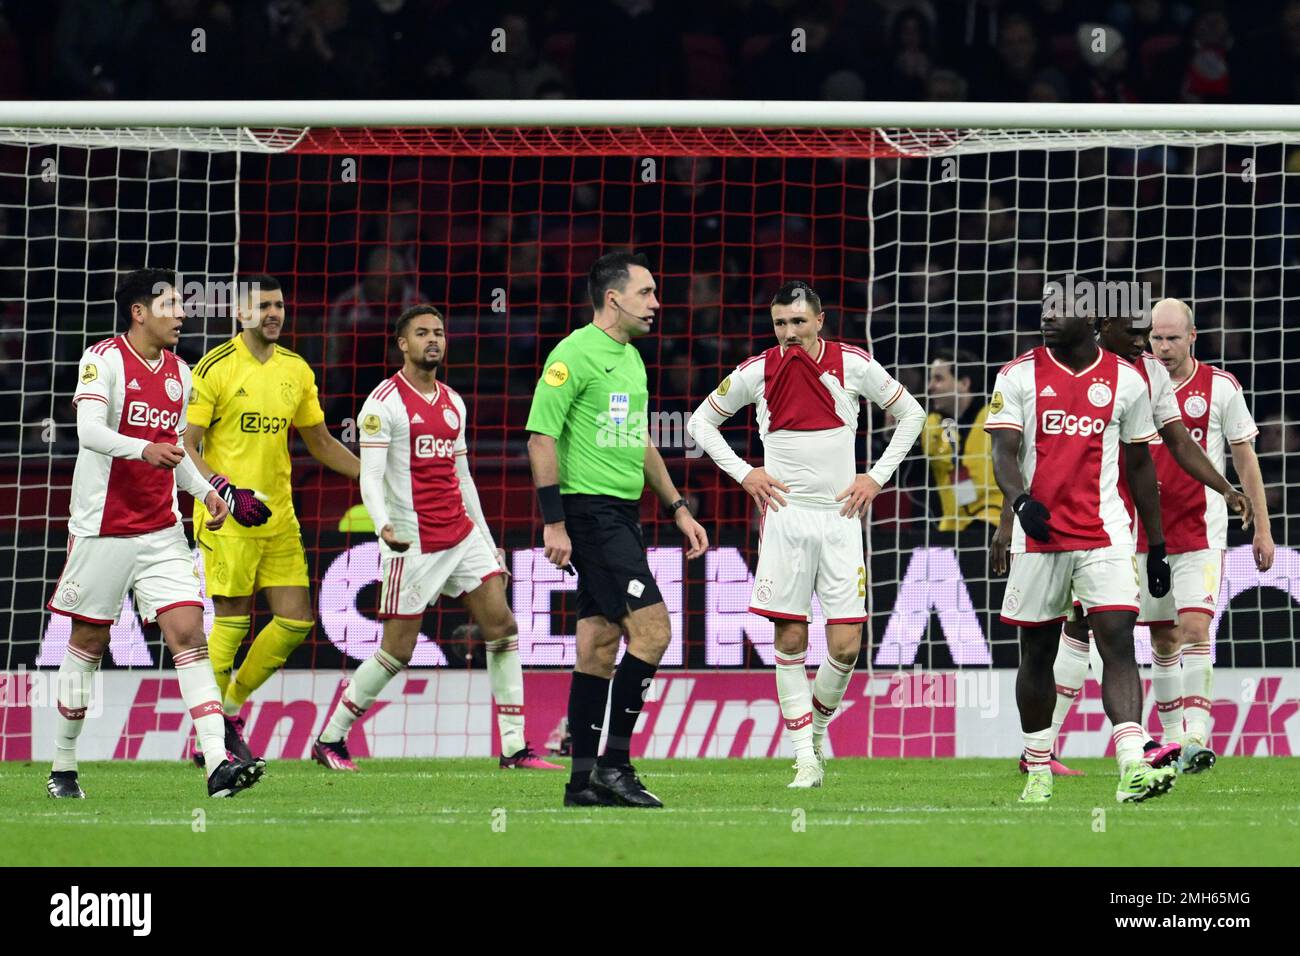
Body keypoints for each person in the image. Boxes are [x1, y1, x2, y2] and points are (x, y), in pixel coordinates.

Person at [998, 305, 1253, 776]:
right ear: (1104, 327)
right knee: (1073, 632)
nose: (1146, 344)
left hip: (1114, 527)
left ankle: (1157, 744)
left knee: (1121, 632)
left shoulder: (1145, 377)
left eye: (1152, 335)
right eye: (1139, 334)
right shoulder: (1046, 370)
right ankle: (1042, 751)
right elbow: (1024, 455)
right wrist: (1007, 519)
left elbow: (1176, 441)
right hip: (1062, 526)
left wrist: (1223, 489)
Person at [688, 281, 924, 788]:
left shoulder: (853, 364)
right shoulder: (757, 371)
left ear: (819, 321)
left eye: (798, 321)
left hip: (840, 519)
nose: (789, 332)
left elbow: (913, 414)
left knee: (846, 646)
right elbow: (700, 424)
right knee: (791, 637)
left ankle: (814, 733)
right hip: (787, 519)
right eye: (780, 323)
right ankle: (804, 759)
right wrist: (745, 473)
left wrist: (875, 477)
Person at [312, 305, 561, 772]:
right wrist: (383, 525)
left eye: (439, 333)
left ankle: (514, 748)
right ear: (402, 344)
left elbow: (462, 477)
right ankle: (331, 738)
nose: (433, 340)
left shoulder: (453, 402)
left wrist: (487, 541)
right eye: (423, 333)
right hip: (412, 542)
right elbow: (371, 476)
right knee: (396, 651)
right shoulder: (382, 404)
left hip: (462, 535)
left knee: (503, 627)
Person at [45, 268, 259, 799]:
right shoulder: (102, 360)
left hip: (162, 531)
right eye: (170, 305)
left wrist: (205, 492)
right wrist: (143, 449)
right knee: (88, 642)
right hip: (102, 529)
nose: (182, 314)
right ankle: (63, 766)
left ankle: (217, 764)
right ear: (139, 312)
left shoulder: (181, 373)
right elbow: (88, 432)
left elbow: (176, 451)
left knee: (189, 635)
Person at [525, 251, 708, 809]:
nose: (656, 303)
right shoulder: (572, 354)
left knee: (599, 646)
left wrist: (677, 506)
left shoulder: (631, 360)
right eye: (646, 292)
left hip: (623, 515)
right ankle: (615, 765)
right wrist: (554, 522)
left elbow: (640, 440)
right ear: (613, 298)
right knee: (653, 633)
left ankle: (581, 782)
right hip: (590, 515)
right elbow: (540, 437)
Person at [986, 300, 1179, 804]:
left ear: (1090, 321)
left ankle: (1132, 764)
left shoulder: (1127, 381)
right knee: (1038, 653)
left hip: (1105, 533)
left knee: (1117, 641)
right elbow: (1003, 451)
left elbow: (1140, 465)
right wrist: (1019, 503)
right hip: (1040, 536)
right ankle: (1037, 767)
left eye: (1059, 310)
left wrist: (1157, 544)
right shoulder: (1017, 374)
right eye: (1045, 308)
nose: (1046, 317)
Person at [184, 274, 360, 766]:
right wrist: (224, 491)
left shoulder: (296, 369)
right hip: (225, 514)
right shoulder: (214, 367)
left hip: (278, 516)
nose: (273, 313)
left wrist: (370, 477)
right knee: (232, 622)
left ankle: (229, 708)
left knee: (295, 621)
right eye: (262, 306)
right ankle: (207, 737)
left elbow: (320, 441)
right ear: (240, 313)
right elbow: (186, 446)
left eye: (278, 305)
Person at [1144, 298, 1272, 771]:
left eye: (1173, 338)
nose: (1164, 347)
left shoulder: (1220, 386)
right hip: (1144, 535)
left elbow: (1245, 459)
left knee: (1195, 629)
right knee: (1163, 640)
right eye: (1156, 338)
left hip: (1201, 533)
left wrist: (1263, 527)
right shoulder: (1135, 383)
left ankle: (1196, 738)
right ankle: (1172, 740)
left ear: (1193, 337)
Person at [923, 347, 1003, 533]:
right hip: (952, 527)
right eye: (930, 379)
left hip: (994, 519)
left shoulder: (998, 418)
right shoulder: (933, 424)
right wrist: (890, 436)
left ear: (964, 383)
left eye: (938, 379)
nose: (929, 387)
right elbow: (911, 472)